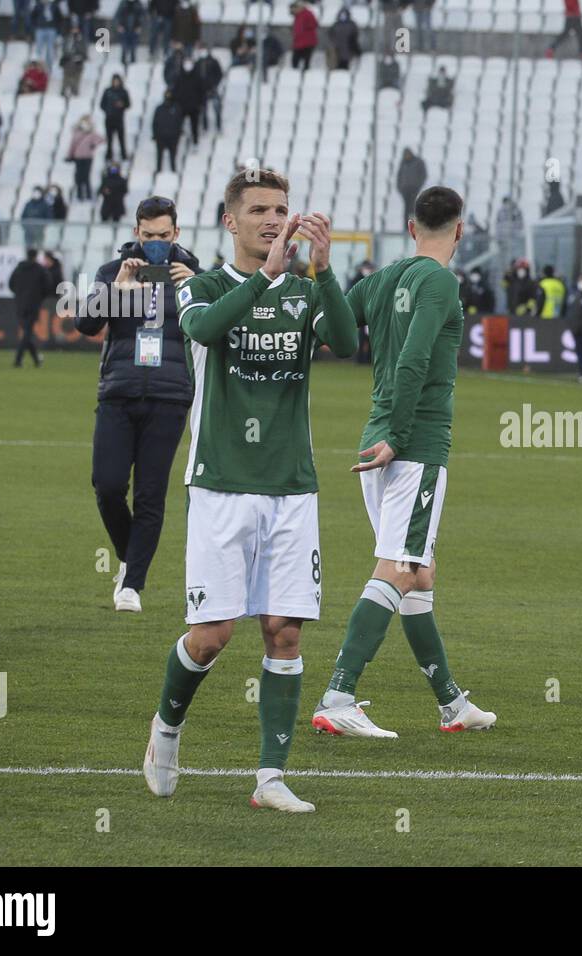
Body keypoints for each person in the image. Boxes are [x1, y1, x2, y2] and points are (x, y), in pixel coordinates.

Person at [142, 168, 358, 813]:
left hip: (292, 487)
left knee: (284, 634)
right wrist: (265, 276)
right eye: (260, 209)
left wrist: (322, 270)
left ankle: (270, 779)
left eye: (282, 209)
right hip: (221, 487)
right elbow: (205, 331)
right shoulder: (199, 287)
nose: (274, 218)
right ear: (230, 222)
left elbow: (346, 344)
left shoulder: (302, 289)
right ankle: (166, 733)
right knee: (210, 637)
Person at [312, 184, 496, 740]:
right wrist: (398, 433)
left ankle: (451, 703)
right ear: (459, 231)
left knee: (418, 572)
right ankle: (339, 693)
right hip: (412, 446)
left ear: (411, 227)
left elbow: (333, 334)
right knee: (397, 568)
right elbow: (416, 356)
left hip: (377, 443)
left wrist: (322, 274)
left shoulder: (386, 277)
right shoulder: (441, 282)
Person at [77, 194, 199, 612]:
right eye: (148, 236)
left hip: (170, 396)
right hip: (118, 392)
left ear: (176, 233)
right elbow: (85, 324)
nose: (156, 243)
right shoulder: (112, 272)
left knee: (150, 494)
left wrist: (191, 289)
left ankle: (132, 583)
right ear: (136, 233)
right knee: (107, 485)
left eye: (164, 236)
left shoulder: (195, 275)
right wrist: (117, 292)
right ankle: (131, 554)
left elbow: (214, 329)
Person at [9, 246, 50, 367]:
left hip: (20, 304)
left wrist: (19, 294)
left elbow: (11, 284)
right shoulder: (40, 270)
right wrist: (40, 297)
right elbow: (47, 286)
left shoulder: (19, 268)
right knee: (27, 333)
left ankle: (36, 360)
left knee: (27, 333)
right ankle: (18, 359)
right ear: (36, 256)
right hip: (33, 304)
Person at [67, 116, 103, 200]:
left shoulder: (91, 133)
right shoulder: (77, 133)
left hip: (88, 157)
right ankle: (80, 195)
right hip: (78, 157)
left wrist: (94, 144)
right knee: (79, 176)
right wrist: (70, 155)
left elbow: (101, 139)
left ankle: (88, 194)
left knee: (86, 176)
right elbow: (72, 145)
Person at [171, 54, 203, 147]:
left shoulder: (197, 77)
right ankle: (177, 141)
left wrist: (200, 104)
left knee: (194, 126)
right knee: (178, 124)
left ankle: (195, 142)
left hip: (194, 107)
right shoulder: (179, 77)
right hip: (181, 106)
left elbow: (201, 92)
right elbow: (175, 91)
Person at [101, 74, 130, 161]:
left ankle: (123, 154)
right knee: (109, 138)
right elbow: (102, 104)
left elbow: (128, 104)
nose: (116, 82)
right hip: (109, 118)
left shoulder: (123, 92)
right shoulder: (107, 91)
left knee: (121, 137)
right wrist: (108, 110)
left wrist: (122, 105)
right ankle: (109, 154)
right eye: (114, 81)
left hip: (119, 118)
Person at [152, 89, 183, 173]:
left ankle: (173, 169)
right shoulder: (159, 108)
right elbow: (155, 123)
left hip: (172, 136)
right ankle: (158, 169)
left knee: (173, 155)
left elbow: (179, 122)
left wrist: (177, 134)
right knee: (159, 155)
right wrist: (155, 134)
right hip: (161, 136)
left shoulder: (176, 108)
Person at [193, 44, 222, 132]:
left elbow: (219, 74)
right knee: (203, 109)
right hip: (202, 89)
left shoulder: (214, 61)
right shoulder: (198, 63)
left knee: (217, 108)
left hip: (212, 88)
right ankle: (205, 127)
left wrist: (214, 84)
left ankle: (218, 126)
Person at [396, 147, 426, 226]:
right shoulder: (403, 163)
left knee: (412, 208)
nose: (406, 156)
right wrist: (399, 187)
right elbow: (399, 175)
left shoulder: (418, 162)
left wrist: (418, 185)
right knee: (406, 209)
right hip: (405, 189)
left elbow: (423, 174)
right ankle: (406, 226)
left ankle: (412, 225)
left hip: (414, 188)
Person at [30, 0, 60, 73]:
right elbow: (33, 16)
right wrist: (36, 26)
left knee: (50, 50)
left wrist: (57, 28)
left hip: (51, 29)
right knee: (38, 49)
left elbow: (59, 18)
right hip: (40, 29)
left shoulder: (54, 6)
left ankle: (48, 69)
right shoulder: (38, 5)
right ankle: (37, 68)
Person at [328, 7, 360, 71]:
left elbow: (355, 34)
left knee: (345, 64)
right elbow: (330, 34)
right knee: (337, 64)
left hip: (348, 47)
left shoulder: (352, 24)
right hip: (337, 48)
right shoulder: (336, 24)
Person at [60, 24, 87, 97]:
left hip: (78, 60)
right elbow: (65, 49)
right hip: (68, 60)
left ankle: (74, 90)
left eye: (76, 29)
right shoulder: (67, 38)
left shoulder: (81, 39)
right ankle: (64, 90)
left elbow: (84, 50)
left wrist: (80, 57)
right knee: (66, 76)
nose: (74, 30)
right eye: (73, 29)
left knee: (76, 77)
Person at [291, 1, 318, 70]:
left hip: (308, 42)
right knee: (295, 61)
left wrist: (305, 27)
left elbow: (314, 24)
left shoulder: (307, 14)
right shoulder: (297, 16)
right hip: (299, 42)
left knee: (306, 62)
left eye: (295, 8)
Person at [115, 0, 144, 65]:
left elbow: (143, 15)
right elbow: (117, 15)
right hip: (124, 28)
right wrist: (119, 25)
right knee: (124, 45)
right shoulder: (123, 3)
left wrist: (140, 26)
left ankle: (133, 61)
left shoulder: (138, 4)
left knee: (134, 46)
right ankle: (122, 61)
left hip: (135, 28)